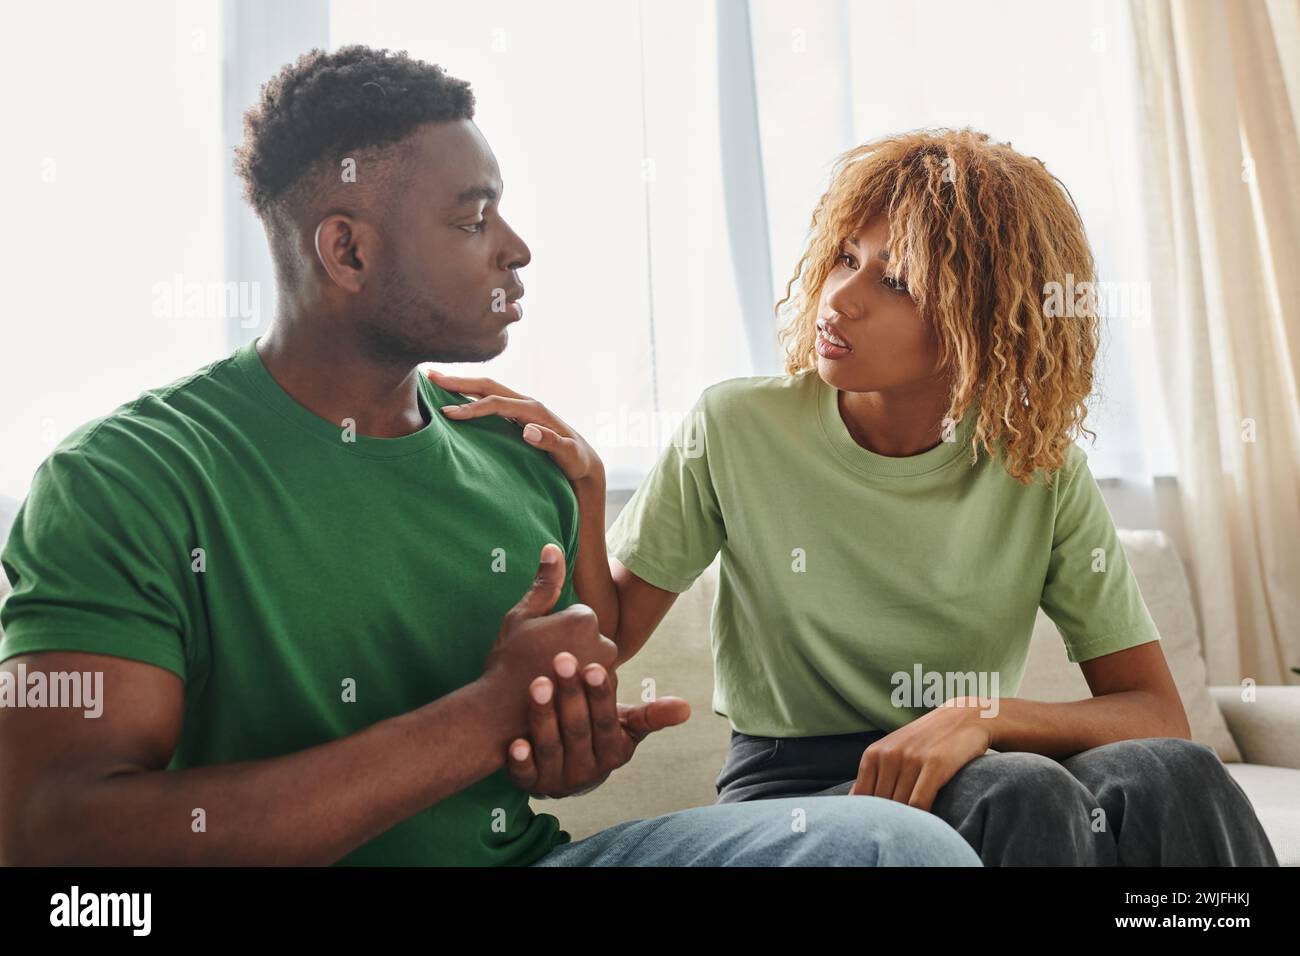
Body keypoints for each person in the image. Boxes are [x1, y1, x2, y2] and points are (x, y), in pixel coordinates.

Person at [0, 46, 979, 868]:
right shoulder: (124, 479)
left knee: (895, 848)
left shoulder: (519, 460)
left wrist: (553, 743)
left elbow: (520, 752)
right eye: (473, 218)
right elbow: (57, 831)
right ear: (346, 252)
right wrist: (478, 717)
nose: (515, 249)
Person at [449, 129, 1279, 866]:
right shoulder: (737, 426)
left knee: (1174, 771)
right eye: (846, 257)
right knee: (1023, 792)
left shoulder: (1036, 464)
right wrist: (590, 490)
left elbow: (1157, 712)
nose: (841, 297)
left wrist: (977, 717)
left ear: (980, 320)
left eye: (901, 282)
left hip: (976, 762)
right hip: (795, 784)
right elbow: (614, 637)